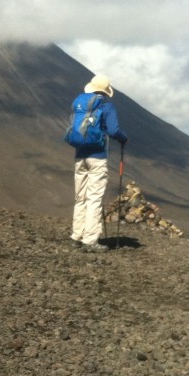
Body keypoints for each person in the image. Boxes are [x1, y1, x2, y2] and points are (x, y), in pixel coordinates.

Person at [70, 74, 128, 253]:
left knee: (80, 197)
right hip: (98, 157)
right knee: (94, 198)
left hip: (80, 155)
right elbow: (113, 130)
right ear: (106, 91)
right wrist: (123, 139)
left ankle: (76, 236)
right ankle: (90, 240)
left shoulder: (79, 103)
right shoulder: (106, 105)